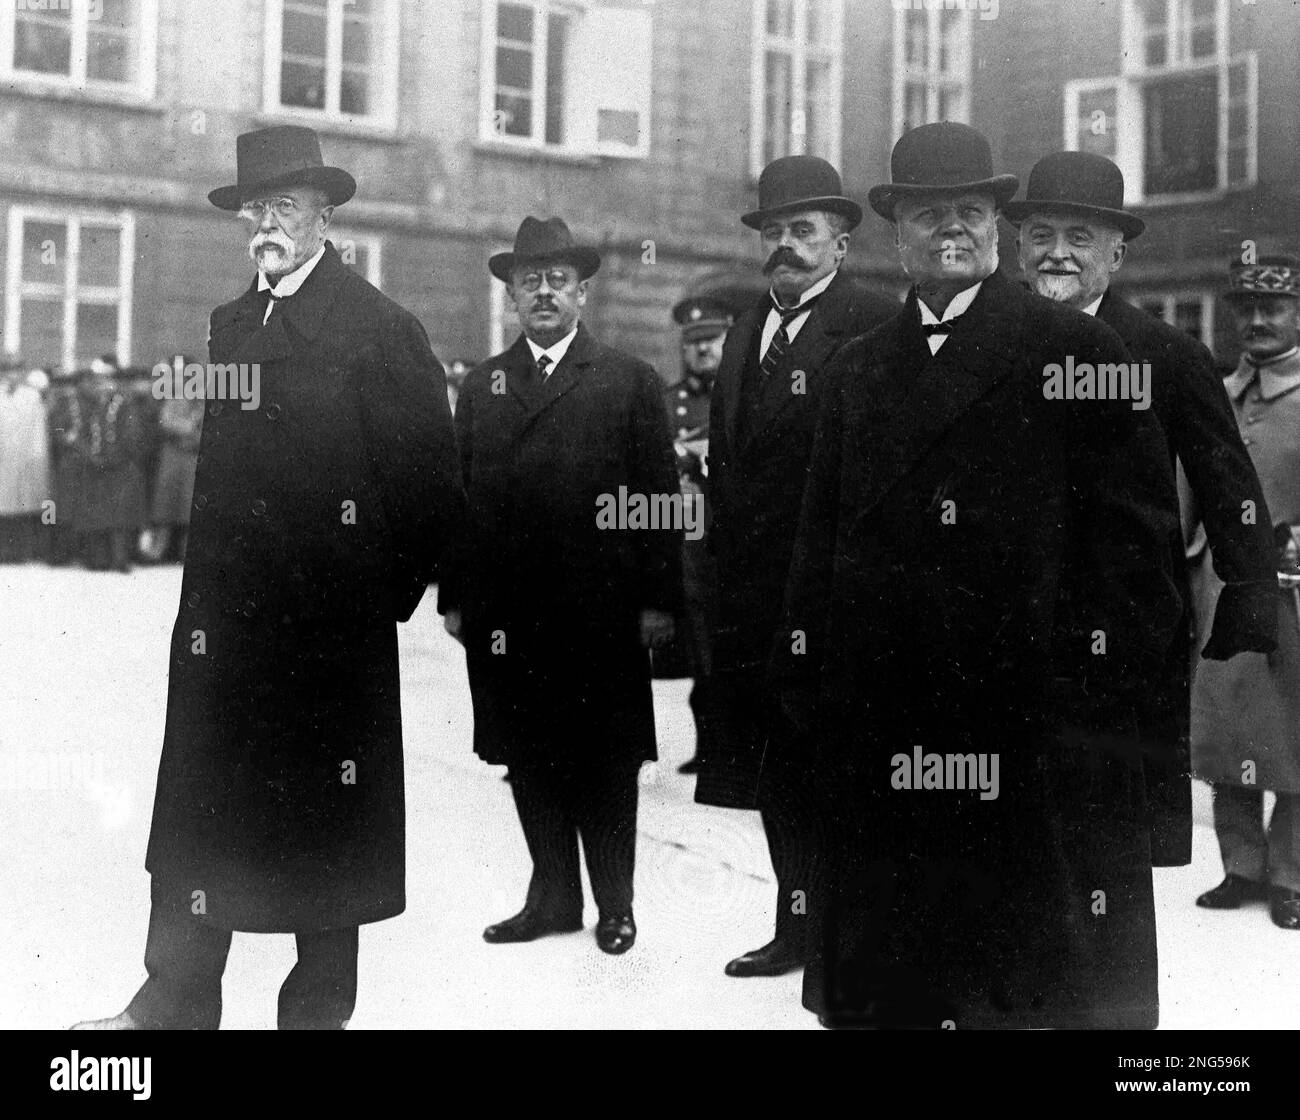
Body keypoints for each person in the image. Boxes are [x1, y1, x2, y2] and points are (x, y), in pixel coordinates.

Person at [778, 122, 1183, 1028]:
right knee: (899, 984)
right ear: (894, 232)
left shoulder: (1075, 352)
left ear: (999, 222)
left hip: (1035, 731)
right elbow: (819, 549)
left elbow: (1138, 557)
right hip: (889, 725)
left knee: (1029, 987)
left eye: (970, 211)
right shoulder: (855, 371)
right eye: (929, 215)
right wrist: (811, 688)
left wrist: (1096, 700)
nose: (951, 231)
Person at [73, 124, 465, 1030]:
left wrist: (368, 601)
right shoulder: (231, 321)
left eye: (284, 204)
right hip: (223, 627)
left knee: (327, 834)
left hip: (327, 639)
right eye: (254, 206)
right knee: (198, 815)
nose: (265, 222)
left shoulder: (380, 328)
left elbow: (431, 486)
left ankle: (315, 1017)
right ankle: (171, 1002)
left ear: (325, 216)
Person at [1009, 154, 1277, 1014]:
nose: (1056, 254)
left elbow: (1230, 481)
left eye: (1078, 239)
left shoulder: (1164, 353)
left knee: (1108, 857)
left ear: (1116, 255)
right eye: (1041, 236)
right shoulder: (994, 345)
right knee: (1010, 849)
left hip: (1118, 650)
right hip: (1003, 645)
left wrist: (1248, 596)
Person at [440, 216, 682, 957]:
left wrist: (658, 600)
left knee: (605, 762)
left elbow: (656, 499)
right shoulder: (484, 386)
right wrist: (454, 596)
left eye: (557, 281)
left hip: (601, 611)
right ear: (512, 296)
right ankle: (551, 898)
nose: (543, 294)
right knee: (528, 755)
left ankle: (616, 905)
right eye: (529, 283)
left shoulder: (628, 381)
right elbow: (459, 495)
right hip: (509, 614)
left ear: (582, 292)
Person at [695, 155, 899, 980]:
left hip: (832, 599)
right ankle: (797, 927)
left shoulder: (876, 324)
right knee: (778, 778)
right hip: (753, 601)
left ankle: (852, 940)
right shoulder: (748, 328)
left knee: (838, 777)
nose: (786, 247)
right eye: (774, 232)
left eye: (804, 232)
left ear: (842, 244)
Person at [1189, 254, 1300, 931]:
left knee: (1293, 731)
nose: (1257, 321)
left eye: (1274, 309)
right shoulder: (1217, 395)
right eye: (1246, 310)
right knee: (1229, 728)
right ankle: (1241, 867)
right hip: (1222, 586)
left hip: (1293, 588)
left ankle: (1291, 876)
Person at [657, 295, 731, 775]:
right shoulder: (667, 403)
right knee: (702, 643)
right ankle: (710, 747)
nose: (702, 352)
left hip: (741, 538)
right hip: (693, 542)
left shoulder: (743, 397)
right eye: (693, 344)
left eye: (711, 342)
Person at [76, 356, 148, 573]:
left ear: (115, 381)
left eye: (107, 380)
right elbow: (84, 435)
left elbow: (131, 437)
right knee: (98, 514)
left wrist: (112, 459)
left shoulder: (124, 405)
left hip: (118, 467)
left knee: (119, 516)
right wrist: (91, 456)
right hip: (96, 467)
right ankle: (100, 558)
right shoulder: (93, 406)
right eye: (99, 380)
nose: (102, 385)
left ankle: (120, 558)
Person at [144, 358, 204, 563]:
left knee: (188, 508)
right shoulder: (175, 397)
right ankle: (159, 550)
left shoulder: (203, 399)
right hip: (172, 458)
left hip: (192, 458)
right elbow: (165, 421)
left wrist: (194, 438)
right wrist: (188, 427)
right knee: (166, 505)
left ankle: (185, 552)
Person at [0, 358, 50, 563]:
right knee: (3, 506)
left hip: (24, 459)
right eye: (7, 371)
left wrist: (37, 458)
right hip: (2, 459)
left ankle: (20, 551)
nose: (12, 376)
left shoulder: (32, 397)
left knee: (22, 506)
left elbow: (39, 431)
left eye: (16, 371)